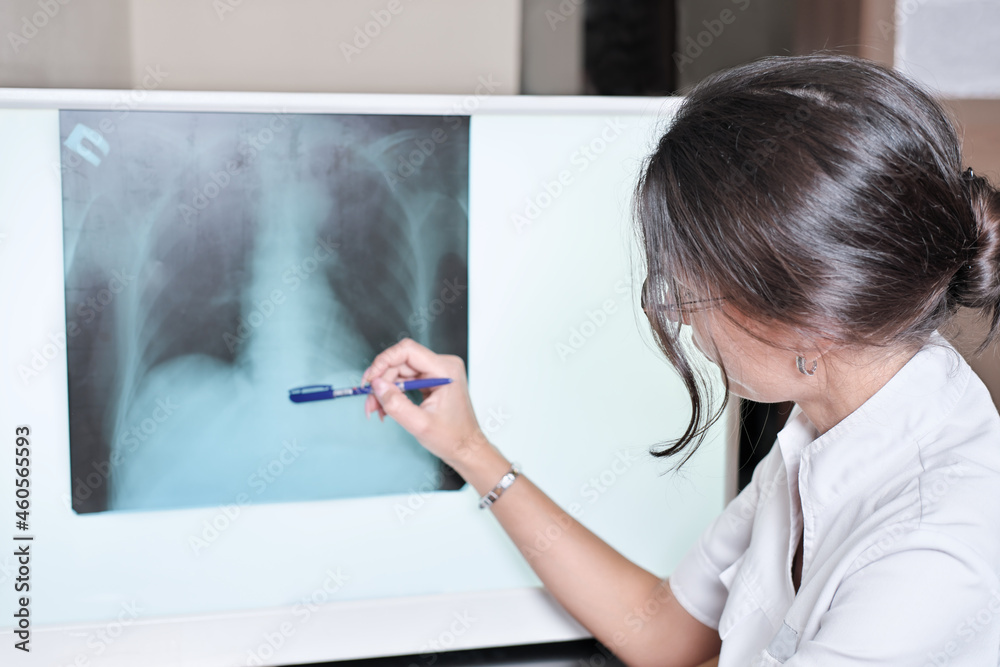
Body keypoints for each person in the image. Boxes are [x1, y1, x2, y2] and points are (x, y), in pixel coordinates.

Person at [360, 53, 1000, 666]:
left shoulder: (932, 550)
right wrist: (469, 446)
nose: (678, 314)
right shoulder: (825, 424)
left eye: (689, 287)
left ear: (810, 317)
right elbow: (663, 630)